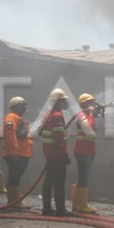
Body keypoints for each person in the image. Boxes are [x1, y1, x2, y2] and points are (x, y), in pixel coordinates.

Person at [39, 88, 70, 216]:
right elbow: (58, 137)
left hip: (49, 153)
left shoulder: (48, 115)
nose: (66, 103)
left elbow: (42, 132)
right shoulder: (57, 115)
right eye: (64, 100)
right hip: (57, 154)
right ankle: (60, 210)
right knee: (59, 182)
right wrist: (64, 153)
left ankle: (46, 208)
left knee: (49, 181)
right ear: (58, 101)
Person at [70, 93, 101, 214]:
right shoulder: (82, 115)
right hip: (83, 151)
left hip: (88, 150)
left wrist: (95, 113)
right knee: (83, 177)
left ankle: (77, 203)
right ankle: (82, 205)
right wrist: (92, 113)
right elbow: (89, 130)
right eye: (90, 103)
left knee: (83, 176)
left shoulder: (86, 115)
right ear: (84, 104)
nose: (93, 105)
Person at [1, 95, 32, 208]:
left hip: (22, 153)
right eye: (22, 106)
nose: (24, 108)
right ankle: (14, 201)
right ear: (16, 107)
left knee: (16, 176)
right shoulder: (11, 117)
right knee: (14, 176)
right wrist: (14, 152)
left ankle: (15, 200)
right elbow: (10, 136)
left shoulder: (19, 118)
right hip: (15, 153)